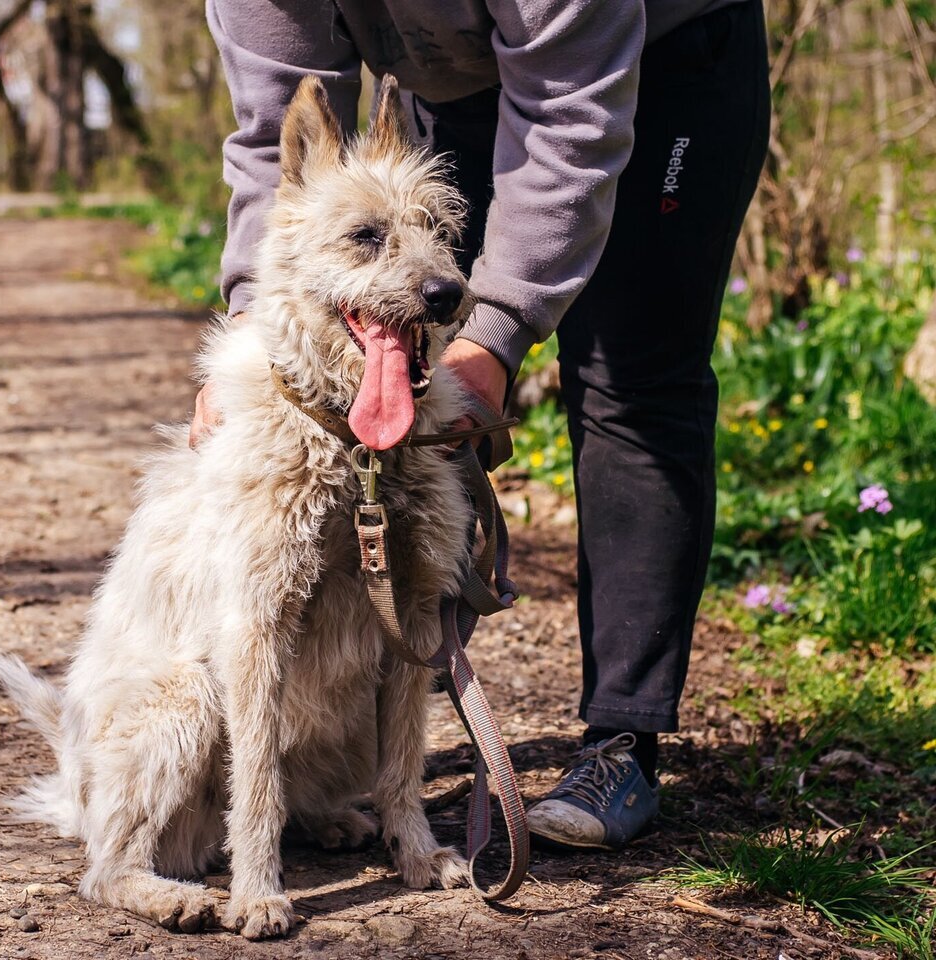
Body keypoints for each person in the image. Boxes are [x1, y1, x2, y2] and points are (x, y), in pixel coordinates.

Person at [194, 0, 771, 851]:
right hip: (454, 80)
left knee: (632, 383)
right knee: (402, 356)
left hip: (659, 68)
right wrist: (253, 318)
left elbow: (572, 118)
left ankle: (622, 742)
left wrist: (494, 337)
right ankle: (402, 720)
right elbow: (276, 135)